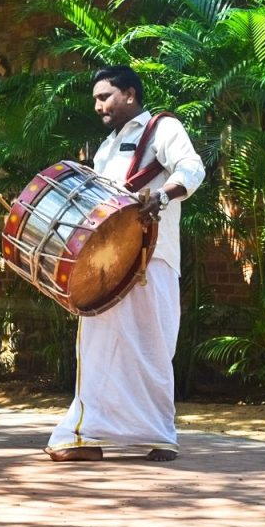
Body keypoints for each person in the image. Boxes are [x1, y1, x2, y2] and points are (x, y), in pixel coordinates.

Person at [45, 65, 205, 463]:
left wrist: (163, 196)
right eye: (96, 99)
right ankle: (86, 436)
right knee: (98, 347)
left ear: (130, 94)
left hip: (155, 257)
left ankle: (158, 435)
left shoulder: (162, 128)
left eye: (105, 97)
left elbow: (192, 169)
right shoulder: (105, 148)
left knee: (152, 346)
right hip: (107, 264)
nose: (98, 106)